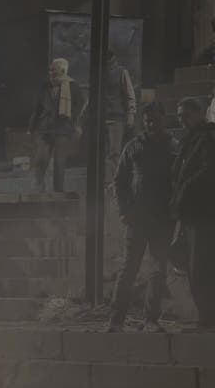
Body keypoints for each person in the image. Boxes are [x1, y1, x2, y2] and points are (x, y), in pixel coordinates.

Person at [108, 103, 176, 333]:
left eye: (155, 118)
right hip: (137, 220)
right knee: (129, 269)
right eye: (147, 119)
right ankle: (116, 320)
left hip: (162, 219)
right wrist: (124, 210)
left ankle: (151, 320)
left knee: (159, 270)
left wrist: (174, 212)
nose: (150, 123)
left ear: (163, 118)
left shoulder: (173, 147)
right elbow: (119, 182)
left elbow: (178, 181)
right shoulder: (133, 146)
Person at [170, 98, 215, 330]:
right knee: (193, 267)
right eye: (179, 116)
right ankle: (205, 316)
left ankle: (207, 319)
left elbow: (209, 171)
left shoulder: (207, 137)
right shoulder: (190, 140)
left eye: (186, 115)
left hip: (202, 214)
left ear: (199, 113)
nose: (182, 120)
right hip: (189, 214)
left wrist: (186, 187)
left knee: (201, 268)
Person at [28, 58, 86, 193]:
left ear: (63, 70)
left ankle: (58, 191)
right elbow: (37, 107)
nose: (50, 72)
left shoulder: (73, 86)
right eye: (49, 69)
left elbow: (81, 107)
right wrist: (32, 126)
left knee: (60, 162)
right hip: (45, 128)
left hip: (63, 130)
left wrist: (73, 122)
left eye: (53, 69)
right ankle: (39, 187)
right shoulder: (45, 86)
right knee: (41, 159)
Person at [103, 50, 138, 184]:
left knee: (114, 153)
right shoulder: (99, 73)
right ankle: (105, 182)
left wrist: (131, 113)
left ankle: (113, 183)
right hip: (101, 119)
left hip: (116, 119)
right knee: (103, 153)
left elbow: (130, 95)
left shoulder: (121, 72)